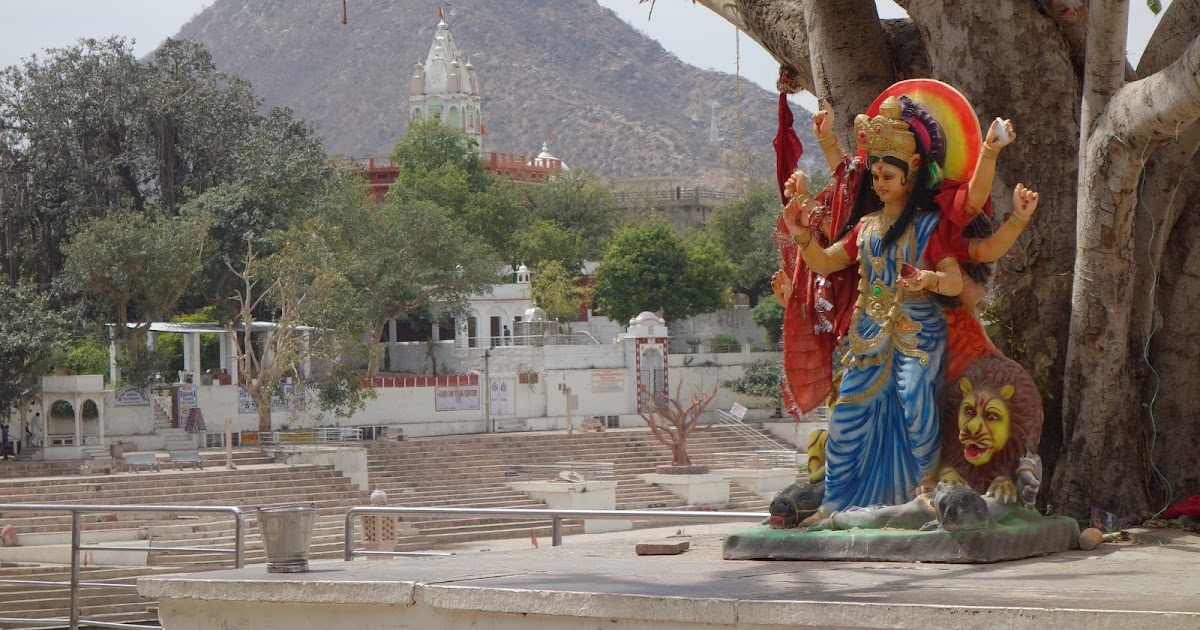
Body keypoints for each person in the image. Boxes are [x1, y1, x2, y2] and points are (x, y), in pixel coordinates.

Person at [782, 96, 965, 511]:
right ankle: (836, 501)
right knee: (844, 416)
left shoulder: (927, 225)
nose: (880, 183)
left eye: (888, 175)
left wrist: (926, 278)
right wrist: (803, 236)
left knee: (914, 395)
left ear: (912, 171)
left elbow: (954, 282)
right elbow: (826, 262)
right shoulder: (866, 228)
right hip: (867, 339)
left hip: (917, 330)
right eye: (876, 175)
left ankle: (927, 484)